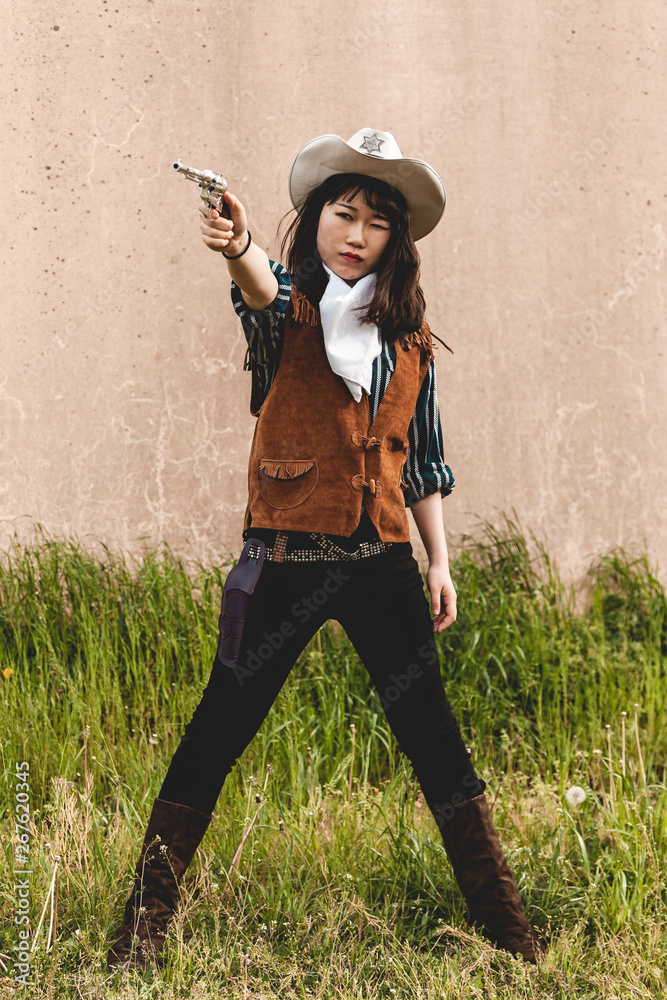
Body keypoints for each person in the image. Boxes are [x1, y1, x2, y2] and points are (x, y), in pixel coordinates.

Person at [107, 128, 546, 971]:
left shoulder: (412, 338)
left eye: (374, 224)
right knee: (218, 729)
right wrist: (236, 243)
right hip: (283, 558)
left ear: (395, 240)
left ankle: (509, 935)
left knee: (433, 738)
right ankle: (141, 928)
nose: (354, 234)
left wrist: (439, 560)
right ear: (314, 221)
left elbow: (421, 461)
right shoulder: (287, 311)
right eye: (341, 214)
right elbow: (259, 295)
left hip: (381, 563)